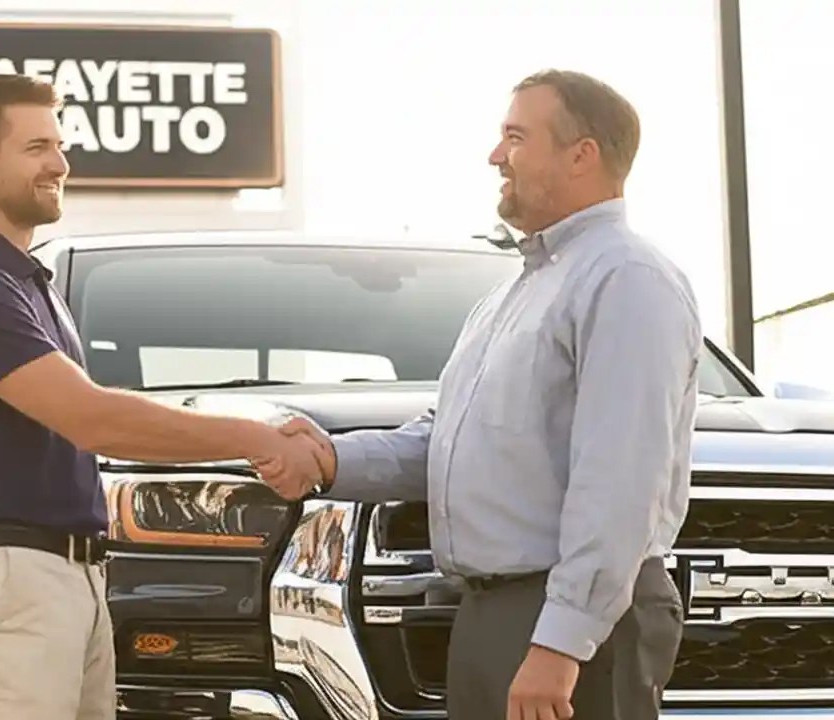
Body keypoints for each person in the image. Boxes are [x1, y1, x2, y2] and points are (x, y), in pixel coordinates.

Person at [274, 69, 702, 719]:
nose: (495, 155)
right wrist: (330, 460)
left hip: (573, 626)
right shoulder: (507, 299)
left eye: (516, 137)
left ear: (581, 154)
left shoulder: (627, 280)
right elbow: (444, 443)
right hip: (492, 617)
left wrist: (561, 646)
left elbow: (620, 482)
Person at [0, 72, 325, 720]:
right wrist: (256, 440)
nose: (60, 163)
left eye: (59, 145)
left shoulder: (24, 283)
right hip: (9, 584)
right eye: (37, 146)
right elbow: (92, 418)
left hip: (69, 581)